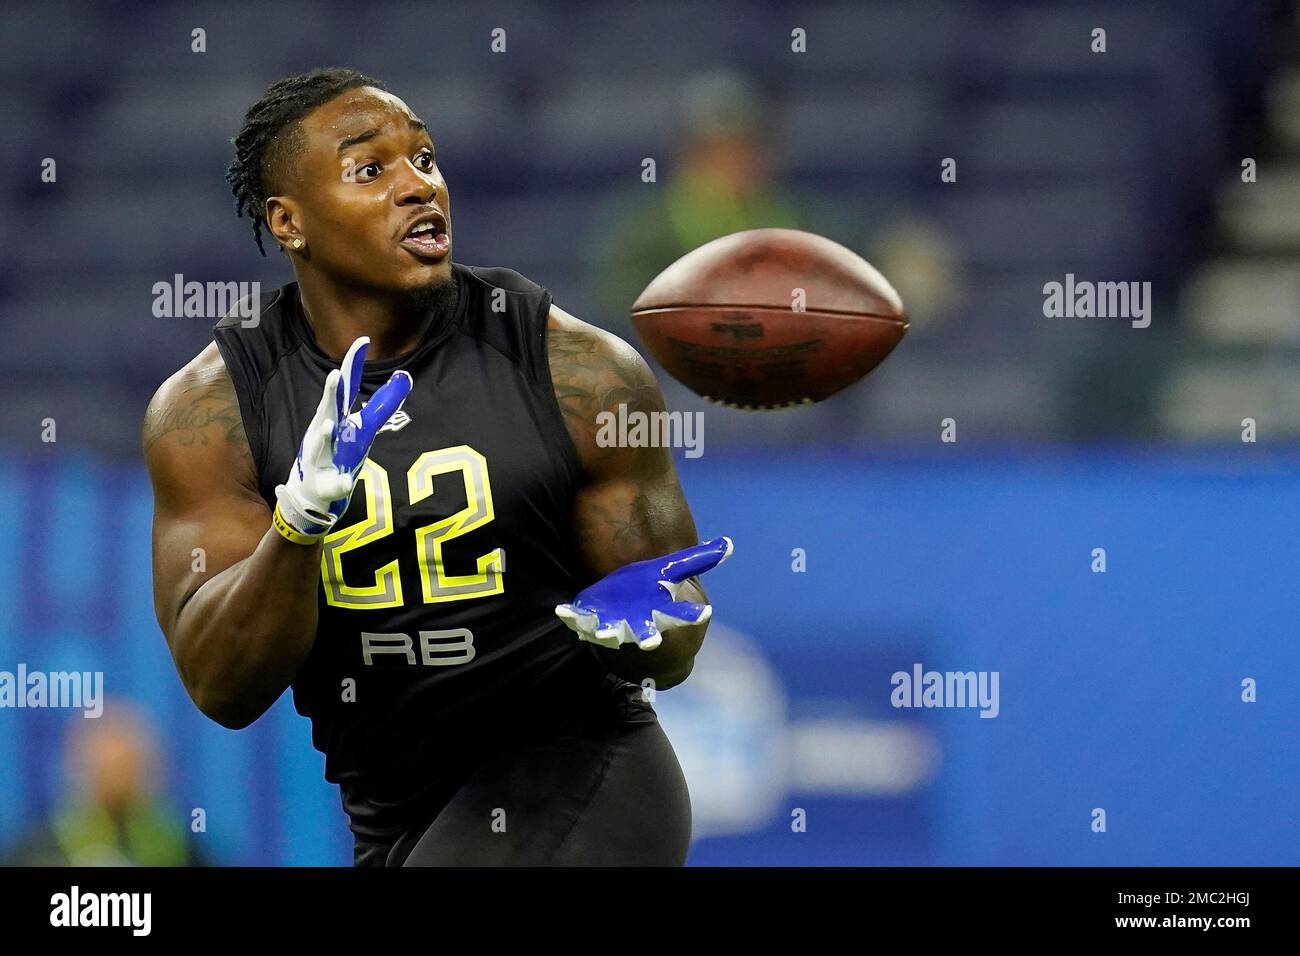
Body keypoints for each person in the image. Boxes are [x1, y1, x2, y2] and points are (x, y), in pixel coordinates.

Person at [143, 68, 732, 866]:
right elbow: (223, 687)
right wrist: (298, 525)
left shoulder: (575, 369)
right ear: (290, 221)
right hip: (393, 812)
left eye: (424, 157)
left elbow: (672, 641)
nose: (418, 185)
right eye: (371, 169)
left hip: (580, 769)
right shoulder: (212, 412)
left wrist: (653, 627)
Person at [2, 701, 203, 866]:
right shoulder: (36, 853)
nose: (118, 780)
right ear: (78, 768)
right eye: (107, 767)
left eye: (127, 766)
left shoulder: (179, 846)